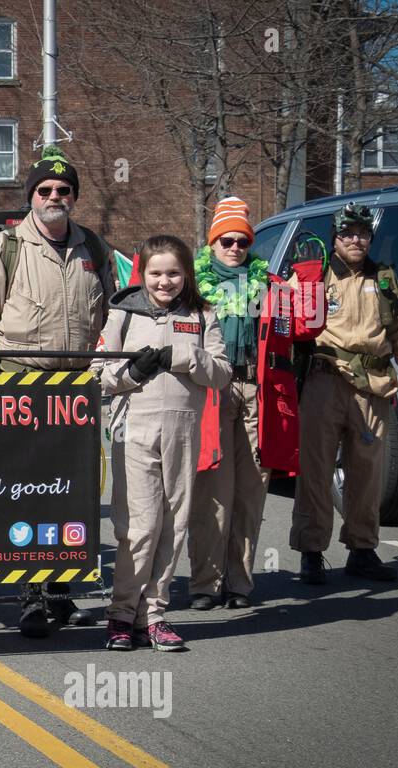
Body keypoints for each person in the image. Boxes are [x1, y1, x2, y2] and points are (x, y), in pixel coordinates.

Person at [0, 145, 116, 636]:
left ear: (73, 197)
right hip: (20, 384)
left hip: (75, 390)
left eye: (63, 190)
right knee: (26, 494)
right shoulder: (6, 245)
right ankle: (28, 594)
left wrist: (108, 372)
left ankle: (61, 590)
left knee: (71, 495)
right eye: (45, 190)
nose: (54, 197)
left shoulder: (94, 248)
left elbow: (112, 319)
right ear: (31, 196)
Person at [95, 235, 231, 651]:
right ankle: (121, 614)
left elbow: (223, 374)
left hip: (184, 431)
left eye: (173, 273)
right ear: (143, 273)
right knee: (138, 526)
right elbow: (98, 374)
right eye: (155, 273)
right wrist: (132, 373)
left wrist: (188, 358)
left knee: (173, 524)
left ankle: (152, 615)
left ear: (186, 273)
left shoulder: (203, 313)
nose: (164, 281)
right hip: (133, 428)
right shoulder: (123, 311)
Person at [290, 202, 398, 584]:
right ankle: (312, 554)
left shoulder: (383, 278)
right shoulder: (313, 276)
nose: (356, 239)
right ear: (335, 236)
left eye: (363, 233)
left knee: (366, 473)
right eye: (348, 232)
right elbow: (284, 324)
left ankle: (363, 551)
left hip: (373, 387)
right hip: (324, 381)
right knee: (315, 471)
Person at [187, 197, 272, 610]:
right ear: (213, 242)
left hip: (255, 388)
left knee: (251, 490)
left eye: (242, 241)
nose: (235, 248)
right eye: (226, 241)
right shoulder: (193, 284)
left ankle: (240, 583)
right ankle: (206, 583)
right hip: (213, 390)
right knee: (213, 491)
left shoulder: (267, 283)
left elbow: (299, 325)